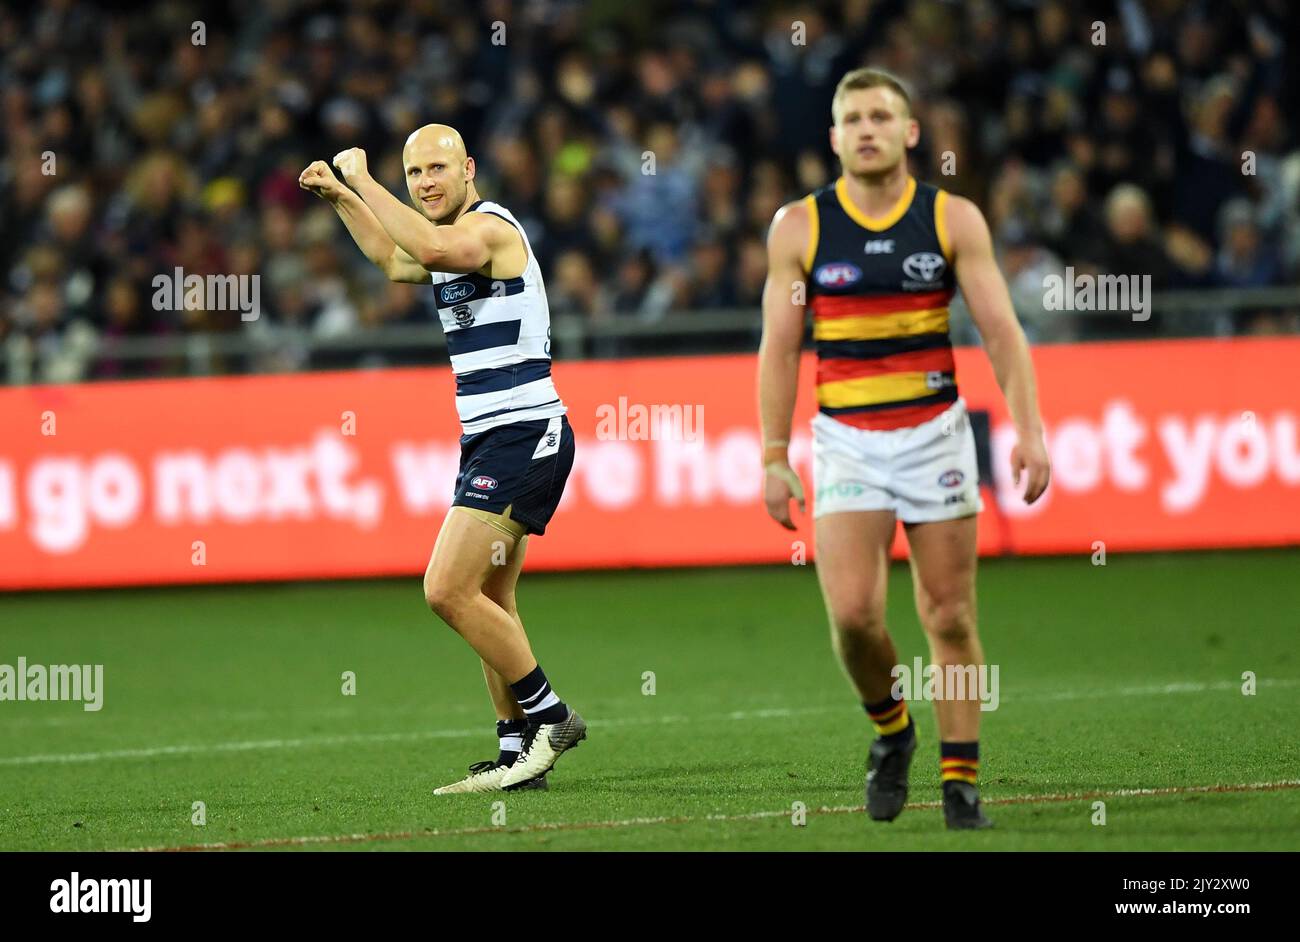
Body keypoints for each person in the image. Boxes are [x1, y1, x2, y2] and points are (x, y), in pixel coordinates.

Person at [757, 69, 1051, 829]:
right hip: (848, 441)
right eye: (852, 117)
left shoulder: (953, 220)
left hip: (935, 437)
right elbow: (780, 350)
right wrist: (771, 452)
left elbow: (1002, 333)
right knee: (854, 615)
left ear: (910, 132)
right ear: (833, 137)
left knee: (948, 616)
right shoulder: (799, 227)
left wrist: (1030, 430)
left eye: (881, 115)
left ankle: (961, 788)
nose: (867, 128)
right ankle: (893, 731)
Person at [299, 124, 586, 794]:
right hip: (488, 437)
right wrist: (342, 197)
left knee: (445, 589)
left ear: (469, 170)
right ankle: (519, 752)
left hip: (524, 433)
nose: (425, 182)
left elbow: (424, 245)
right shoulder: (447, 245)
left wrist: (364, 178)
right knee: (490, 596)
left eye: (437, 169)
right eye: (414, 173)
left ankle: (552, 718)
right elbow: (395, 260)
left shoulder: (489, 231)